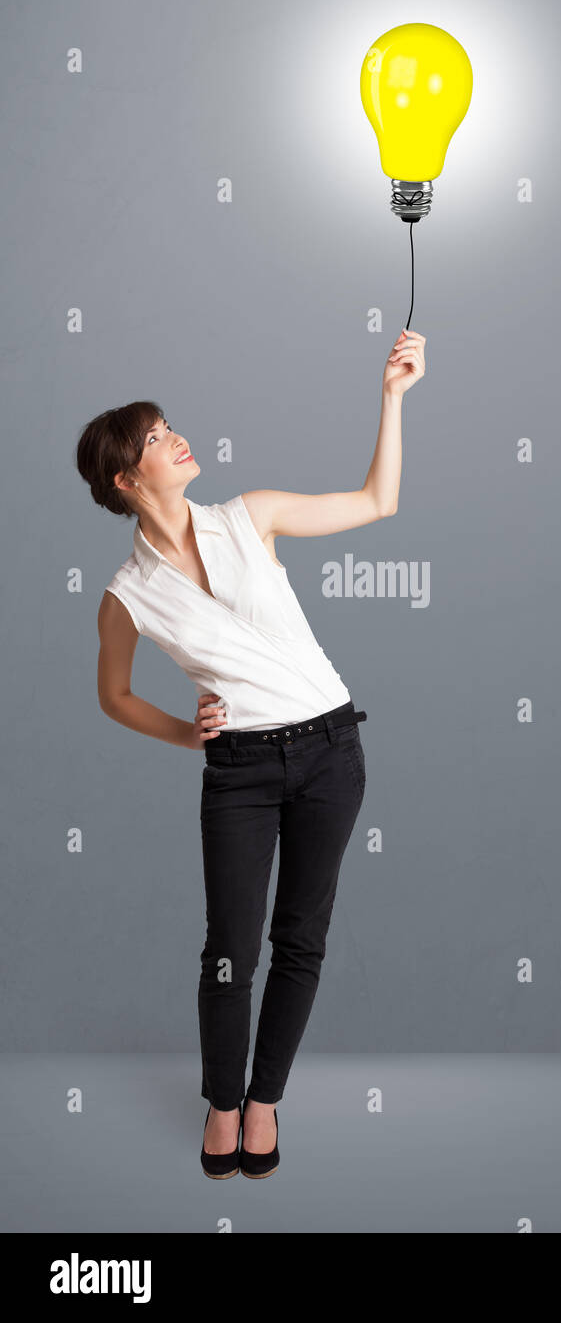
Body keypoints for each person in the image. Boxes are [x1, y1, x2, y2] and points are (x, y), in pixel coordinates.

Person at [75, 328, 426, 1178]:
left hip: (330, 750)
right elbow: (112, 696)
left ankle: (264, 1102)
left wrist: (392, 396)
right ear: (126, 479)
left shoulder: (250, 514)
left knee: (301, 938)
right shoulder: (126, 596)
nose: (175, 438)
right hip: (238, 772)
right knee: (229, 947)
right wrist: (184, 732)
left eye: (168, 426)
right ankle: (221, 1103)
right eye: (155, 438)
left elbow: (378, 502)